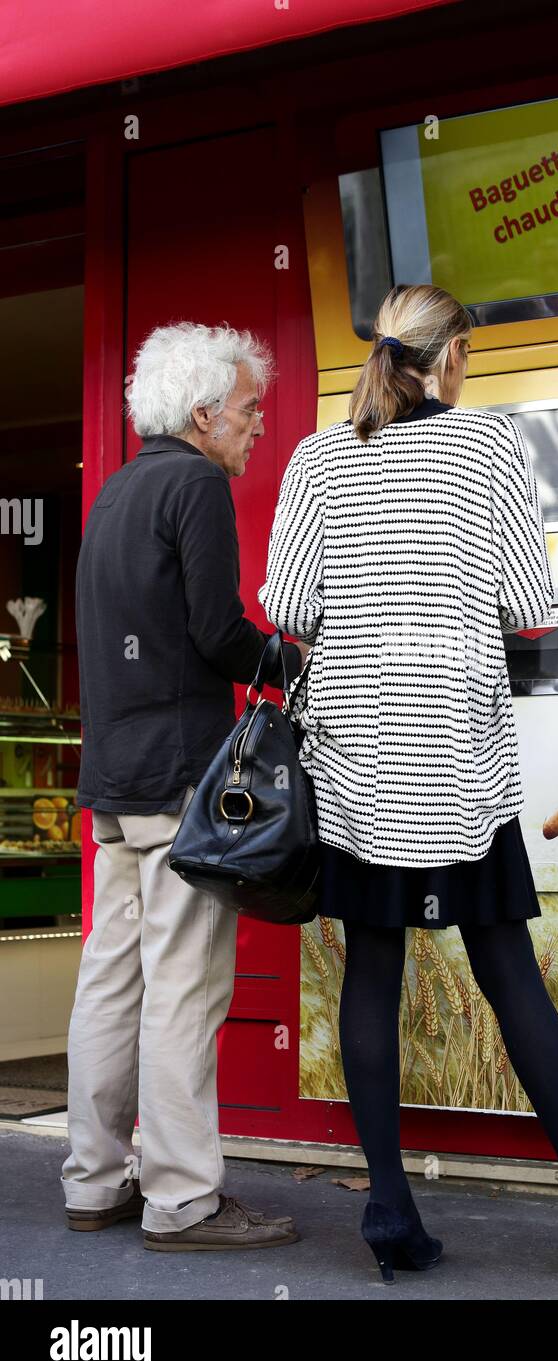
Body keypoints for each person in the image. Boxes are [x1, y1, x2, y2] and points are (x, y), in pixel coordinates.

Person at [259, 283, 558, 1284]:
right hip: (456, 755)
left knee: (370, 972)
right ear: (453, 355)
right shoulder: (489, 447)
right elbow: (525, 598)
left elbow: (291, 602)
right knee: (508, 969)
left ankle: (389, 1211)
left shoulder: (315, 456)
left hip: (360, 757)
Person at [63, 322, 307, 1251]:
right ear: (204, 414)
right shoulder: (196, 484)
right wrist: (291, 661)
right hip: (176, 783)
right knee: (182, 989)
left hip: (113, 783)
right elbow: (216, 631)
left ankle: (92, 1181)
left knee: (110, 983)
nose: (256, 427)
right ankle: (182, 1199)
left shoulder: (119, 489)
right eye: (249, 410)